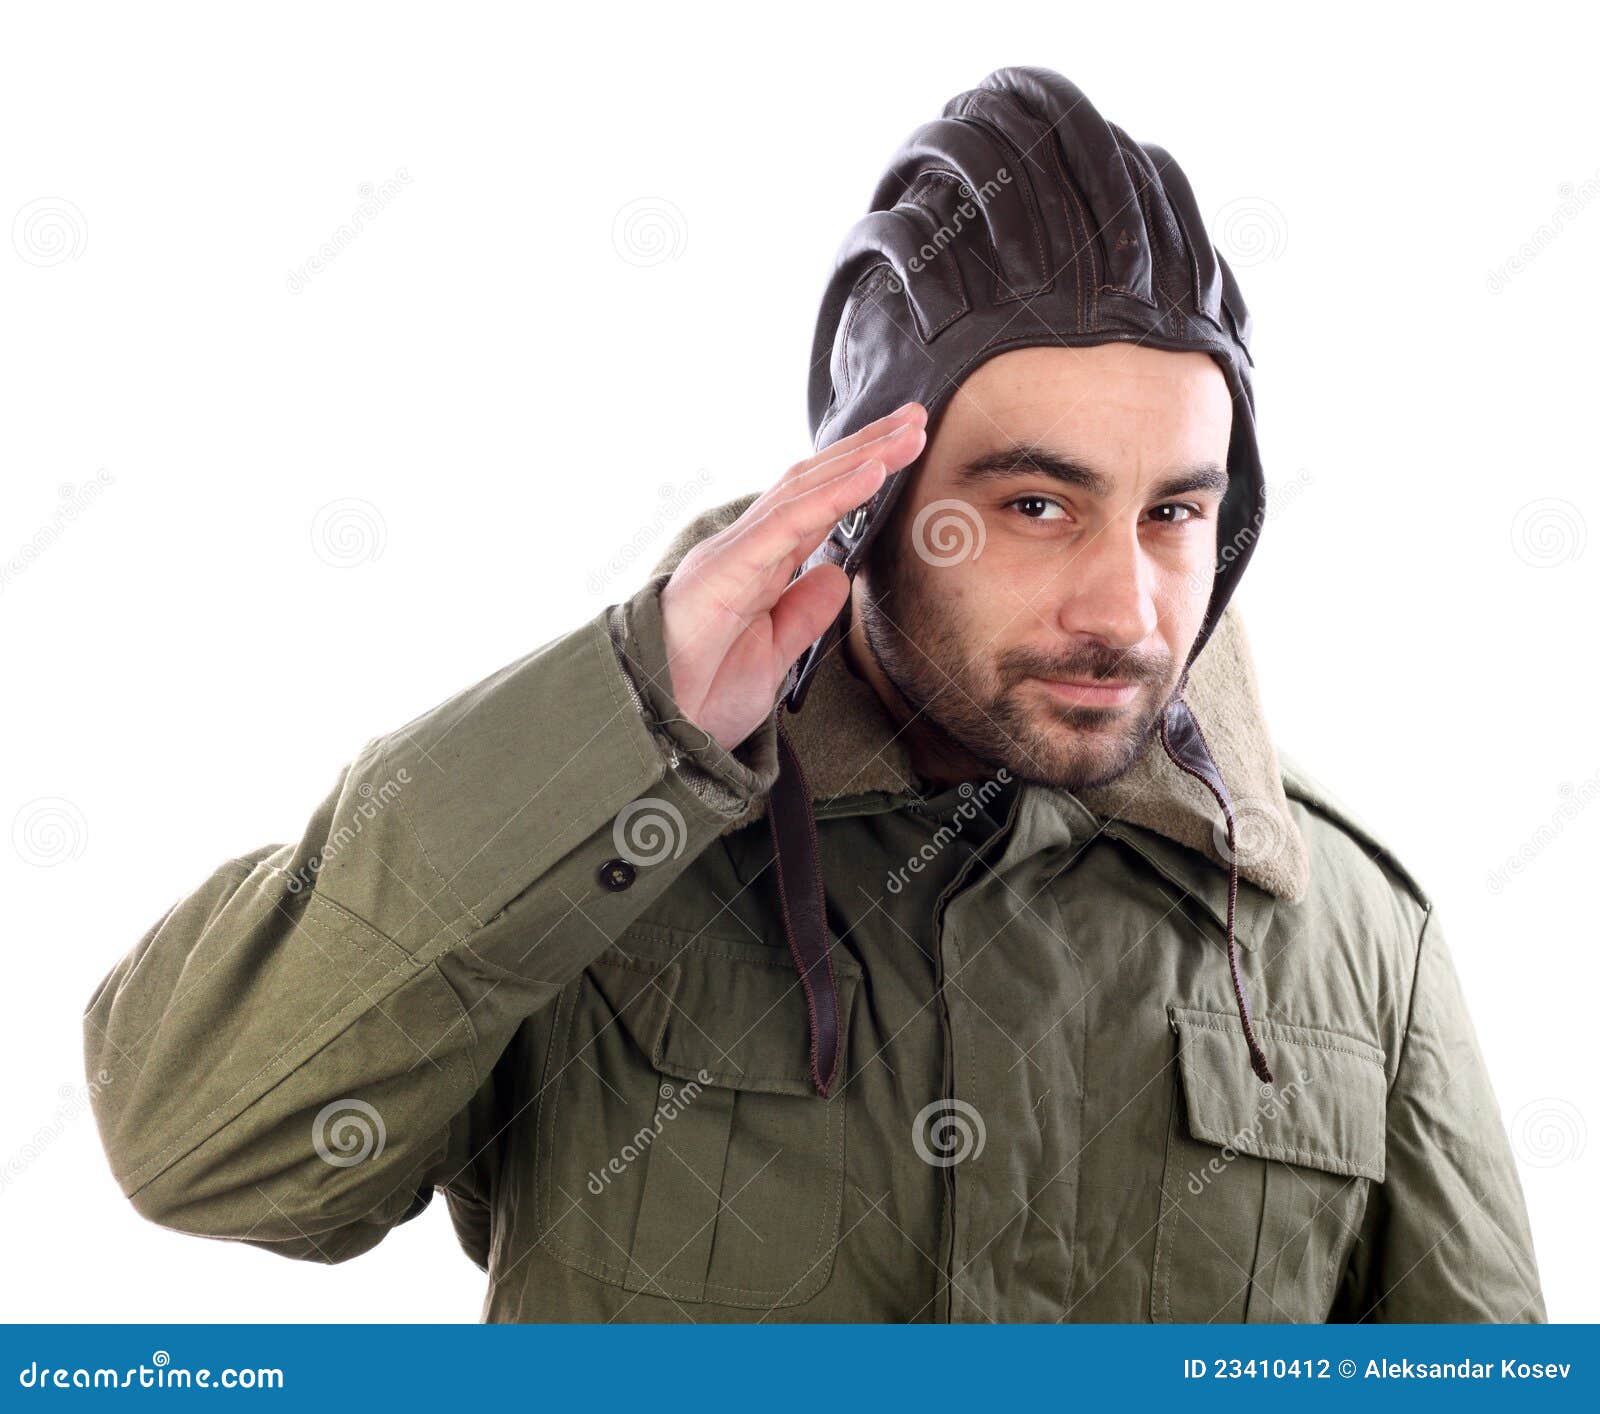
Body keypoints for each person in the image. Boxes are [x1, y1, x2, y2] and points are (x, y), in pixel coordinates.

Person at [83, 66, 1543, 1323]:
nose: (1129, 606)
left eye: (1174, 512)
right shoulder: (595, 857)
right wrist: (627, 719)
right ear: (865, 501)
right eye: (1036, 504)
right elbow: (202, 1142)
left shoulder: (1361, 948)